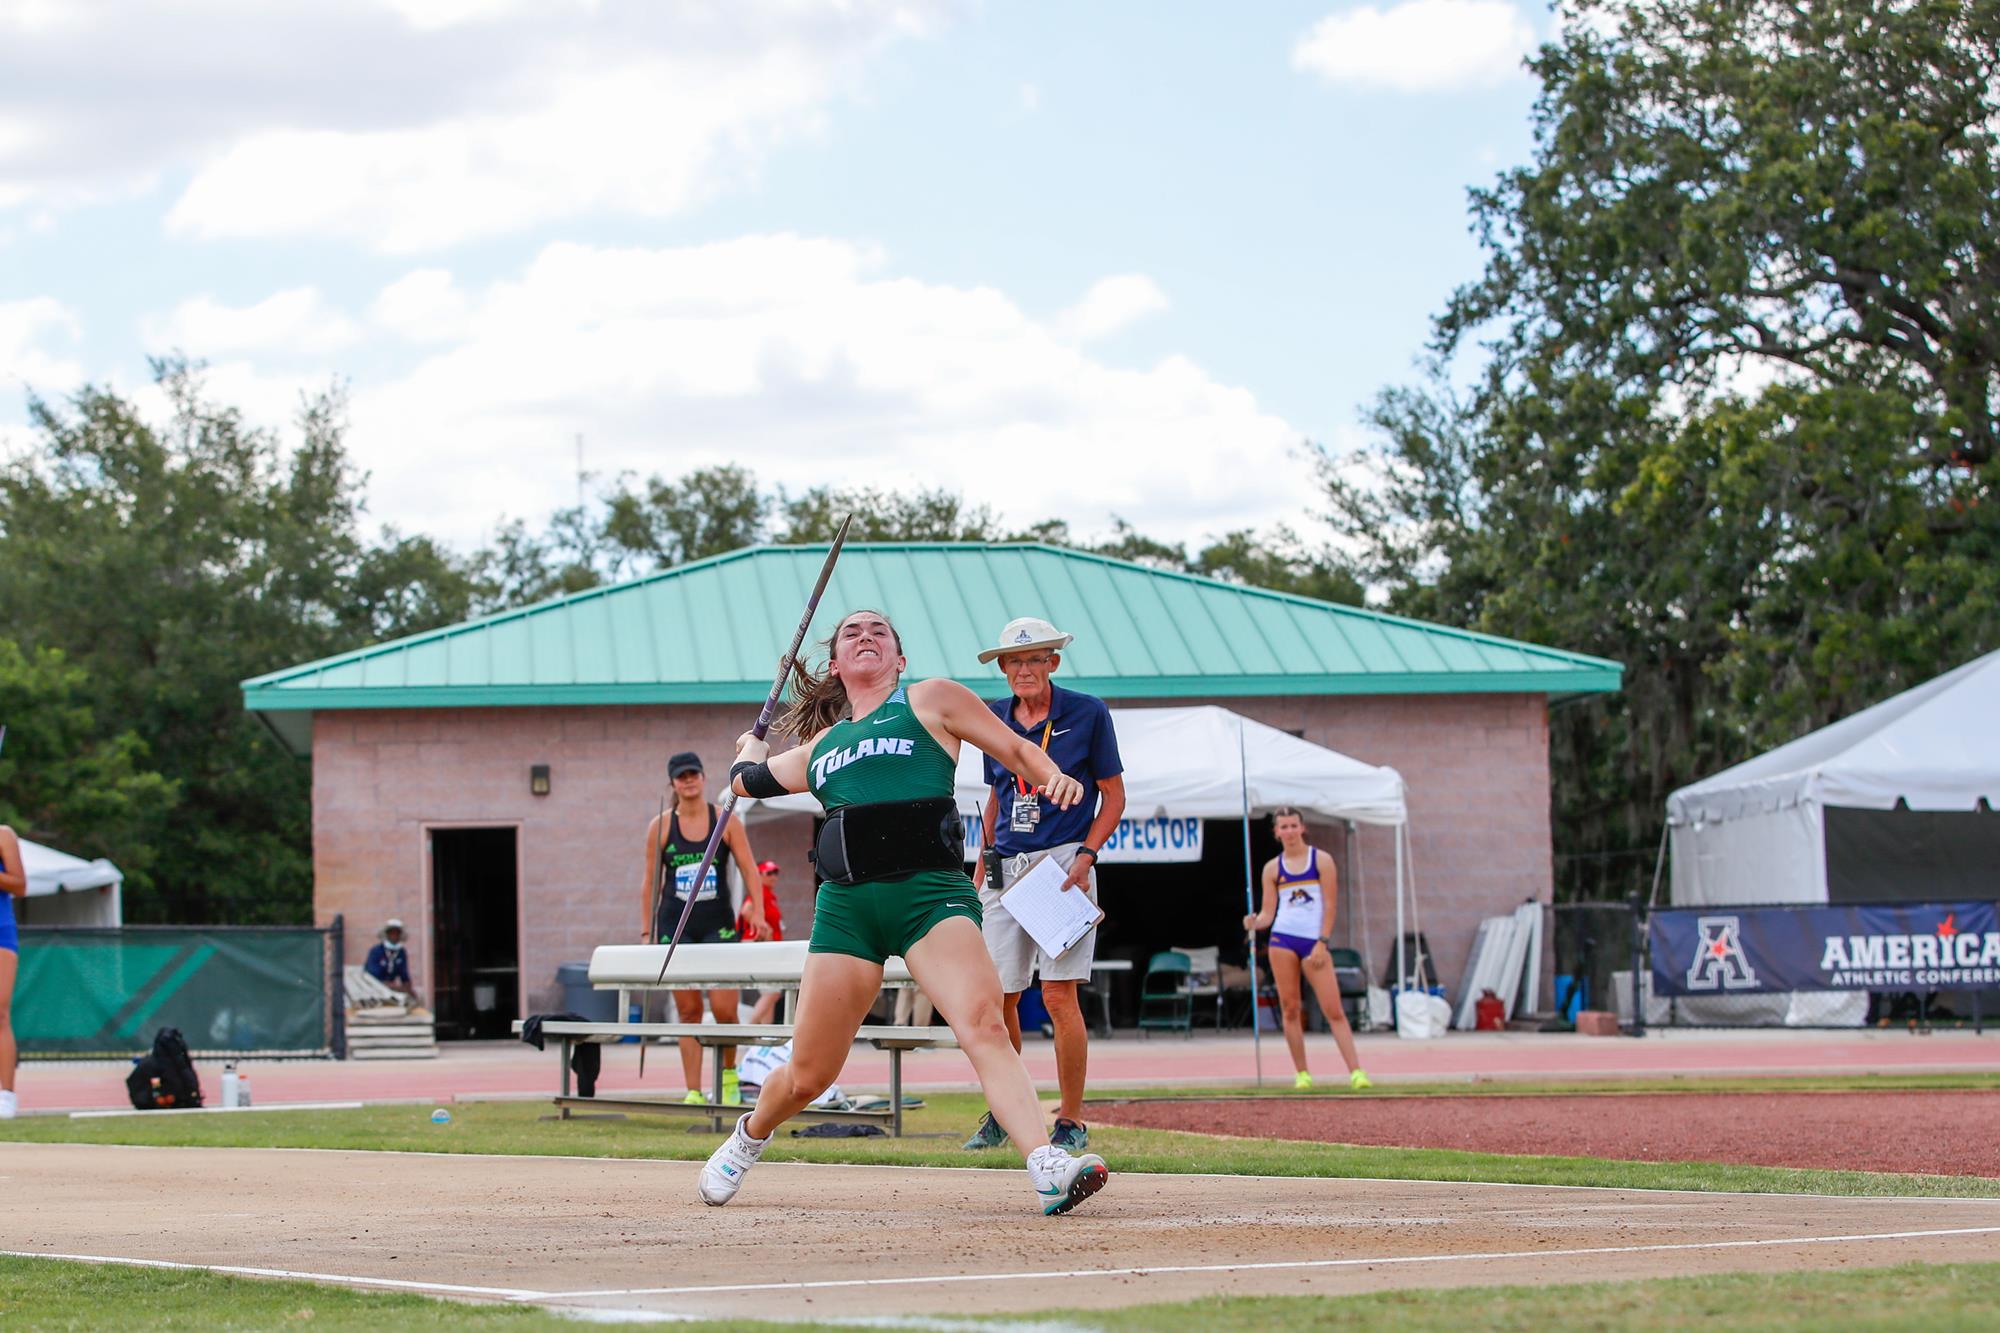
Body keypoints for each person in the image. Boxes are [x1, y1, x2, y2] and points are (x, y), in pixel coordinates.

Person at [701, 608, 1110, 1216]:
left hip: (931, 897)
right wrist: (748, 748)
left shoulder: (932, 699)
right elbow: (747, 782)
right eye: (851, 633)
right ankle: (749, 1135)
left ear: (899, 659)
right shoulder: (822, 746)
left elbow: (1019, 750)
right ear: (836, 666)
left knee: (984, 1025)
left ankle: (1046, 1164)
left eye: (879, 632)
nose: (866, 636)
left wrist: (1055, 777)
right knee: (809, 1075)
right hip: (846, 912)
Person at [963, 616, 1124, 1155]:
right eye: (1016, 661)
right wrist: (980, 859)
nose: (1025, 669)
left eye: (1036, 659)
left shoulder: (1087, 712)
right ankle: (1007, 1110)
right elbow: (997, 795)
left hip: (1062, 867)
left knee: (1058, 996)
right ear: (1003, 668)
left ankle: (1071, 1119)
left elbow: (1113, 797)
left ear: (1053, 662)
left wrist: (1086, 856)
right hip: (1006, 865)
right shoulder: (992, 718)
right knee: (997, 998)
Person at [643, 751, 766, 1106]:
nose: (689, 780)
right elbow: (649, 882)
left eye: (694, 773)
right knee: (688, 1011)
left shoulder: (726, 819)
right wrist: (645, 932)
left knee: (726, 1009)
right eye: (681, 776)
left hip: (718, 925)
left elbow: (749, 869)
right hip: (675, 926)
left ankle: (728, 1076)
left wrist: (757, 910)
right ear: (673, 783)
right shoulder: (661, 826)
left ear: (703, 776)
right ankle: (694, 1090)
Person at [1243, 806, 1371, 1091]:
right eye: (1283, 827)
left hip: (1313, 941)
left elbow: (1330, 904)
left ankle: (1356, 1071)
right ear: (1276, 832)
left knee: (1333, 1009)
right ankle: (1302, 1073)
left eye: (1293, 826)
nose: (1288, 832)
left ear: (1302, 828)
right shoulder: (1273, 869)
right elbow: (1268, 913)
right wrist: (1253, 922)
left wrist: (1322, 942)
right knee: (1290, 1008)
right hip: (1283, 939)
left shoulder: (1321, 860)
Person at [740, 859, 786, 1026]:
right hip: (759, 946)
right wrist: (763, 929)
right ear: (758, 875)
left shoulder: (769, 895)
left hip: (767, 948)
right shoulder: (759, 892)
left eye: (776, 873)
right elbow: (746, 911)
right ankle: (750, 1028)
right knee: (772, 992)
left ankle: (766, 1037)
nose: (774, 877)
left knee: (770, 992)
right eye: (769, 873)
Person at [0, 819, 24, 1120]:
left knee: (0, 1011)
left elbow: (19, 884)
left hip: (1, 931)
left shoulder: (3, 835)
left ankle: (5, 1094)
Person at [363, 918, 414, 996]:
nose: (394, 936)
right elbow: (372, 976)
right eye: (391, 933)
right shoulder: (376, 951)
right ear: (386, 934)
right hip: (372, 988)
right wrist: (394, 987)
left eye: (397, 933)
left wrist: (408, 989)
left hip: (391, 989)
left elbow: (404, 976)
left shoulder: (401, 952)